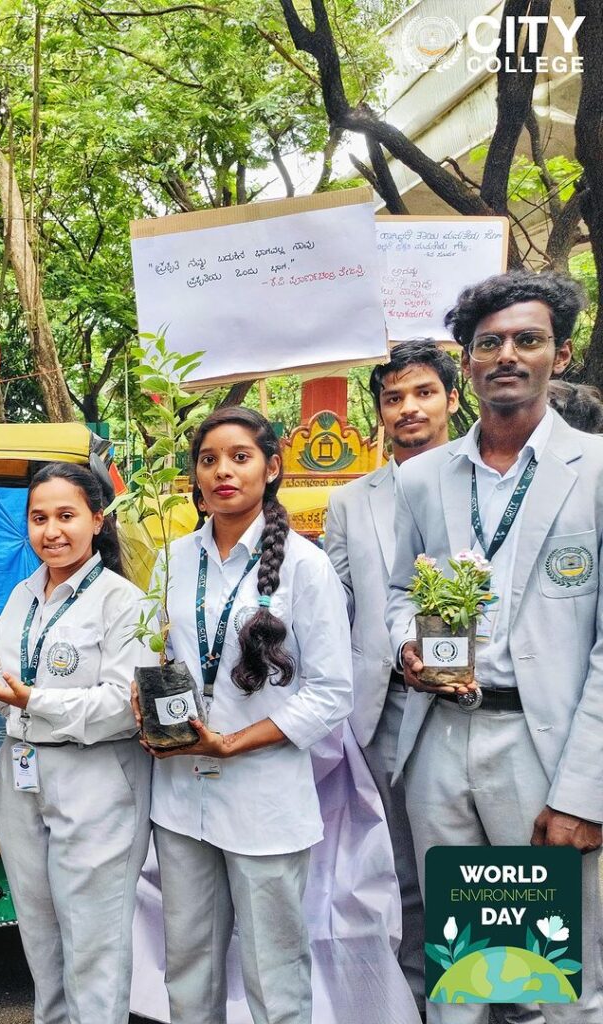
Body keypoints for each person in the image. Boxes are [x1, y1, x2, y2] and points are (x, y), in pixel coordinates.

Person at [386, 270, 603, 1023]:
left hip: (541, 755)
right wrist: (408, 648)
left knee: (549, 985)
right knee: (465, 977)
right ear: (468, 362)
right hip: (442, 747)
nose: (507, 354)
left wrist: (583, 792)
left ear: (561, 354)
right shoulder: (424, 480)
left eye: (527, 340)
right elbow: (398, 594)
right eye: (490, 343)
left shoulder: (597, 473)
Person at [135, 405, 353, 1024]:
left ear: (272, 467)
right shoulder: (173, 558)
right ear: (194, 478)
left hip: (264, 799)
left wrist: (231, 744)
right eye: (208, 460)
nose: (222, 472)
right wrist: (140, 695)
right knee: (188, 966)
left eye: (240, 456)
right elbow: (158, 651)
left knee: (274, 971)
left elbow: (332, 691)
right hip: (180, 798)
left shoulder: (305, 568)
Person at [0, 463, 153, 1024]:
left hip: (96, 780)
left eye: (66, 516)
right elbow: (16, 691)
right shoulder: (21, 595)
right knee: (40, 933)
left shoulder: (123, 603)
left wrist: (31, 701)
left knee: (94, 939)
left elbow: (123, 705)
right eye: (39, 518)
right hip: (20, 773)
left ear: (97, 518)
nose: (52, 531)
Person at [324, 338, 459, 1012]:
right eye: (393, 396)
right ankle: (414, 1006)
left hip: (476, 714)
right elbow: (332, 604)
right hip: (385, 710)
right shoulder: (352, 502)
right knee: (399, 877)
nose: (407, 407)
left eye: (423, 392)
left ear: (452, 400)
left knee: (477, 877)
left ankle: (503, 1003)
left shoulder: (487, 482)